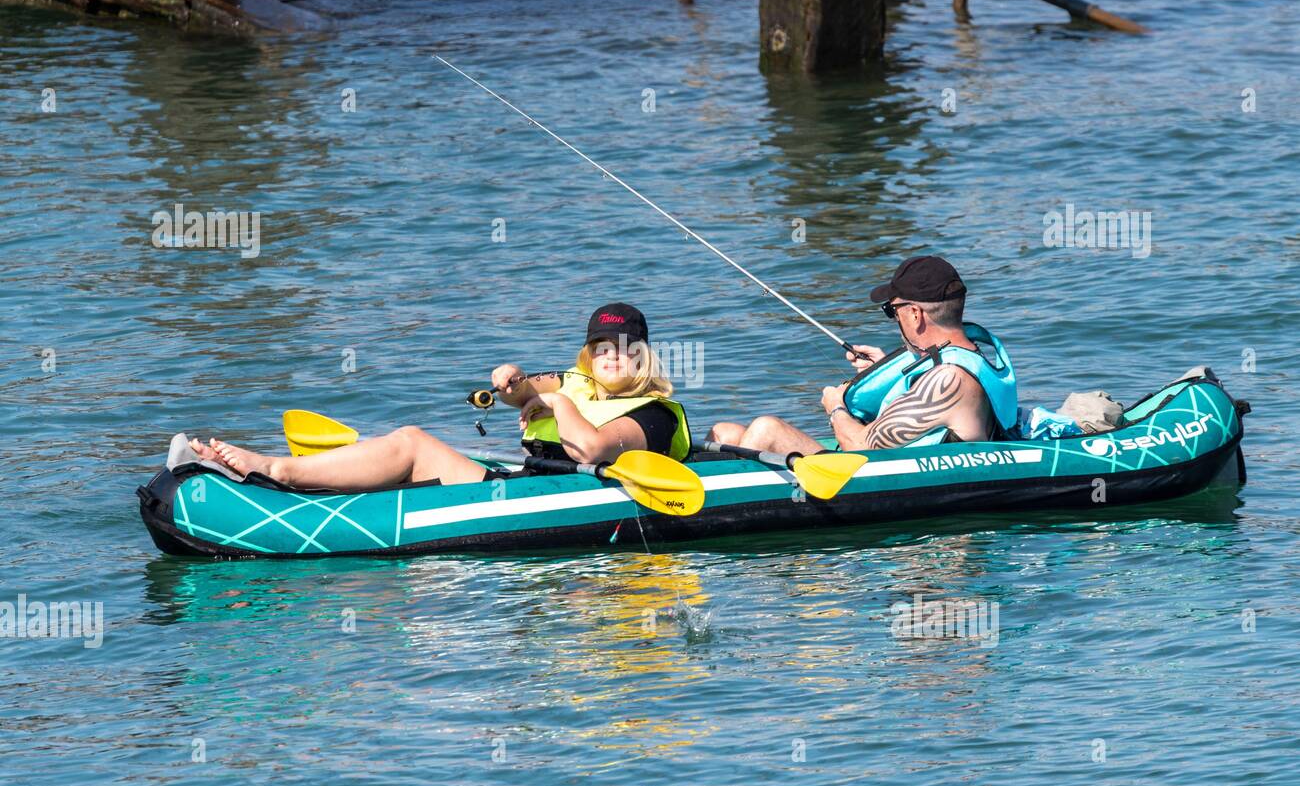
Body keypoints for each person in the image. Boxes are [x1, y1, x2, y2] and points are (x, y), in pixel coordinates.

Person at [193, 303, 691, 490]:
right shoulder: (576, 381)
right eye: (600, 348)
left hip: (555, 495)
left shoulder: (655, 415)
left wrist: (557, 407)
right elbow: (524, 392)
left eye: (624, 348)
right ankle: (290, 474)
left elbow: (594, 449)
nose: (611, 357)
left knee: (411, 443)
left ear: (643, 356)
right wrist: (514, 380)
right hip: (523, 482)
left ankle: (276, 470)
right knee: (409, 442)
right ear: (588, 355)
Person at [708, 256, 1017, 453]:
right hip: (871, 472)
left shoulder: (950, 380)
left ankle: (704, 510)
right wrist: (881, 370)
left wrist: (835, 407)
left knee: (766, 429)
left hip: (873, 484)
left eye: (890, 310)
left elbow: (860, 445)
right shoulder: (966, 357)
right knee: (727, 433)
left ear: (914, 314)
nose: (894, 319)